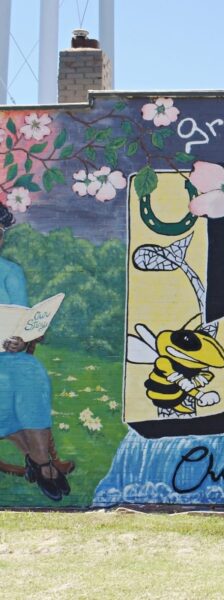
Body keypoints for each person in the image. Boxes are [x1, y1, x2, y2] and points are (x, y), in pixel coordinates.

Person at [0, 204, 72, 501]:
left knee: (30, 374)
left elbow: (21, 317)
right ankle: (43, 464)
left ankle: (39, 460)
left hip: (8, 353)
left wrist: (20, 338)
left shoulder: (10, 272)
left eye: (0, 233)